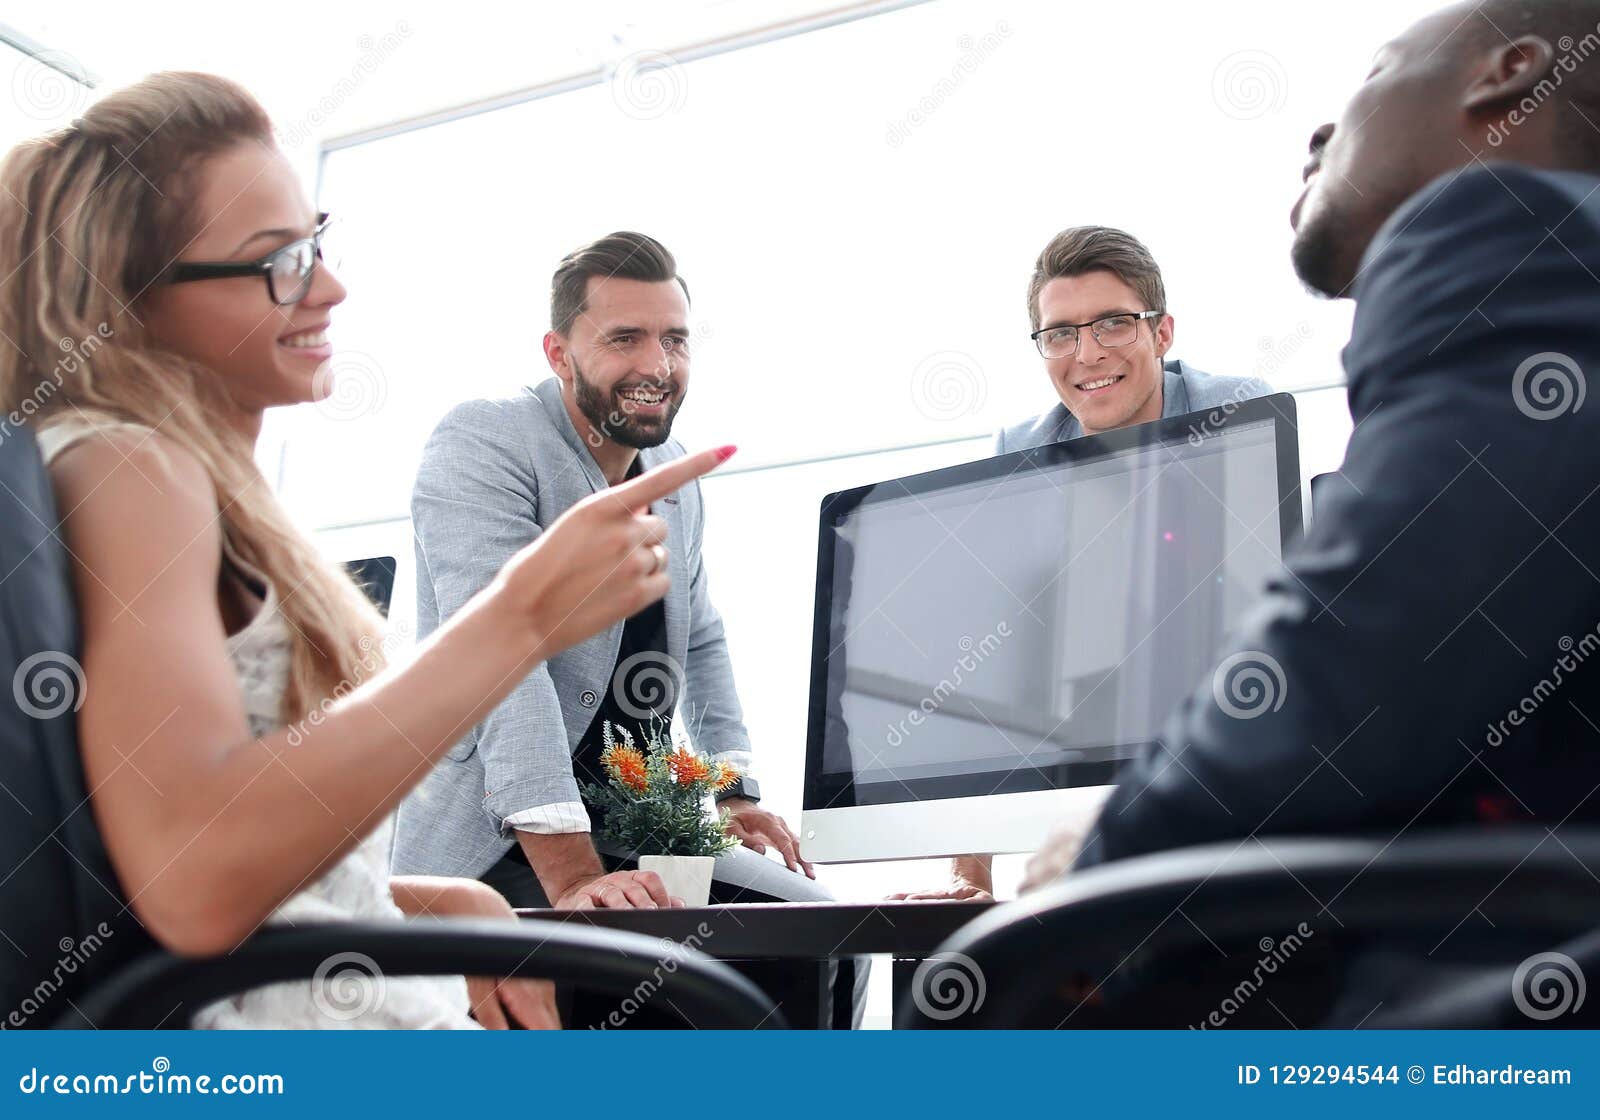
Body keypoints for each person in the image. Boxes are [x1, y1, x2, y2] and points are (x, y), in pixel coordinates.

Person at [0, 72, 733, 1028]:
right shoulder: (134, 471)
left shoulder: (168, 480)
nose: (331, 287)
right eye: (279, 261)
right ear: (132, 296)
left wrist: (438, 902)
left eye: (315, 243)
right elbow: (194, 878)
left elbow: (201, 877)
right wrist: (520, 618)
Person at [1024, 0, 1600, 887]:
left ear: (1507, 76)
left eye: (1377, 73)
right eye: (1060, 334)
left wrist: (1095, 867)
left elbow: (1355, 675)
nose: (1323, 129)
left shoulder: (1504, 236)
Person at [394, 232, 829, 907]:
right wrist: (574, 877)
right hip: (499, 842)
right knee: (668, 951)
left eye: (674, 340)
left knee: (817, 925)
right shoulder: (487, 440)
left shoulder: (673, 470)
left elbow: (701, 635)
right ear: (558, 354)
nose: (657, 364)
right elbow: (500, 657)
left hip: (637, 828)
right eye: (625, 338)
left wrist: (733, 794)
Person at [894, 226, 1270, 901]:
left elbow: (1267, 610)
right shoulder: (1021, 454)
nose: (1087, 354)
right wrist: (969, 874)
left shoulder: (1234, 411)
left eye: (1113, 324)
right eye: (1060, 334)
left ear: (1162, 332)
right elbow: (984, 660)